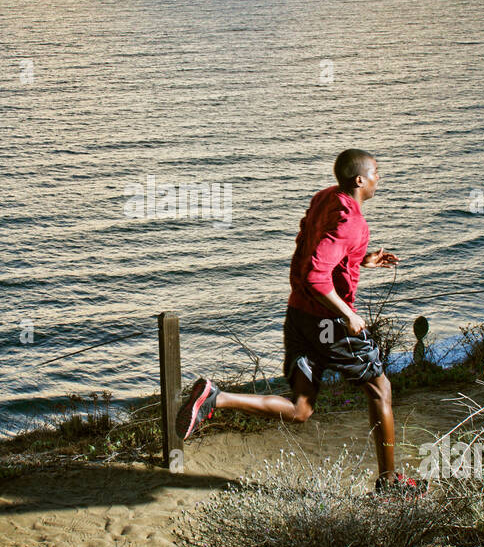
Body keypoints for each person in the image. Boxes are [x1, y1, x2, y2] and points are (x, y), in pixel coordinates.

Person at [176, 148, 419, 493]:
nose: (380, 178)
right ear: (360, 179)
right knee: (381, 389)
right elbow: (317, 276)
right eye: (376, 172)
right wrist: (348, 314)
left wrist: (358, 260)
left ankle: (216, 398)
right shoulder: (352, 222)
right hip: (327, 324)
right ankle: (390, 483)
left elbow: (315, 249)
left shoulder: (325, 198)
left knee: (301, 409)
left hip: (299, 316)